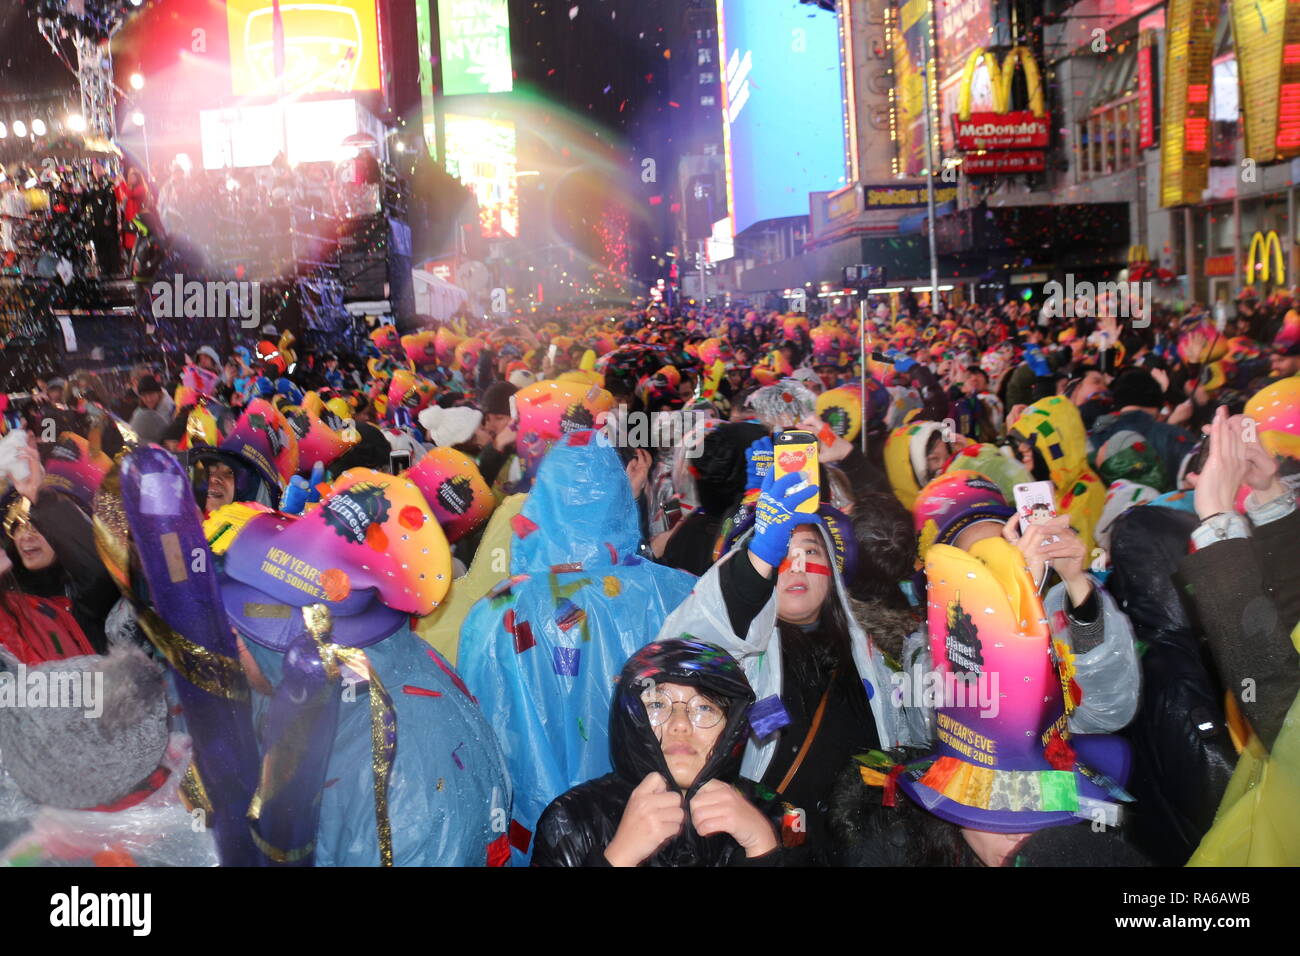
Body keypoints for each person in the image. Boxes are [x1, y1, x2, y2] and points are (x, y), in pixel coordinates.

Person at [532, 638, 783, 867]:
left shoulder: (776, 814)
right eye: (657, 704)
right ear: (630, 717)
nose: (680, 724)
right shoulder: (572, 818)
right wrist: (619, 857)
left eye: (705, 707)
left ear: (732, 726)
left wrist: (764, 847)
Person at [128, 376, 168, 446]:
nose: (148, 399)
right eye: (144, 396)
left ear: (159, 393)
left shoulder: (169, 408)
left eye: (151, 394)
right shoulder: (139, 412)